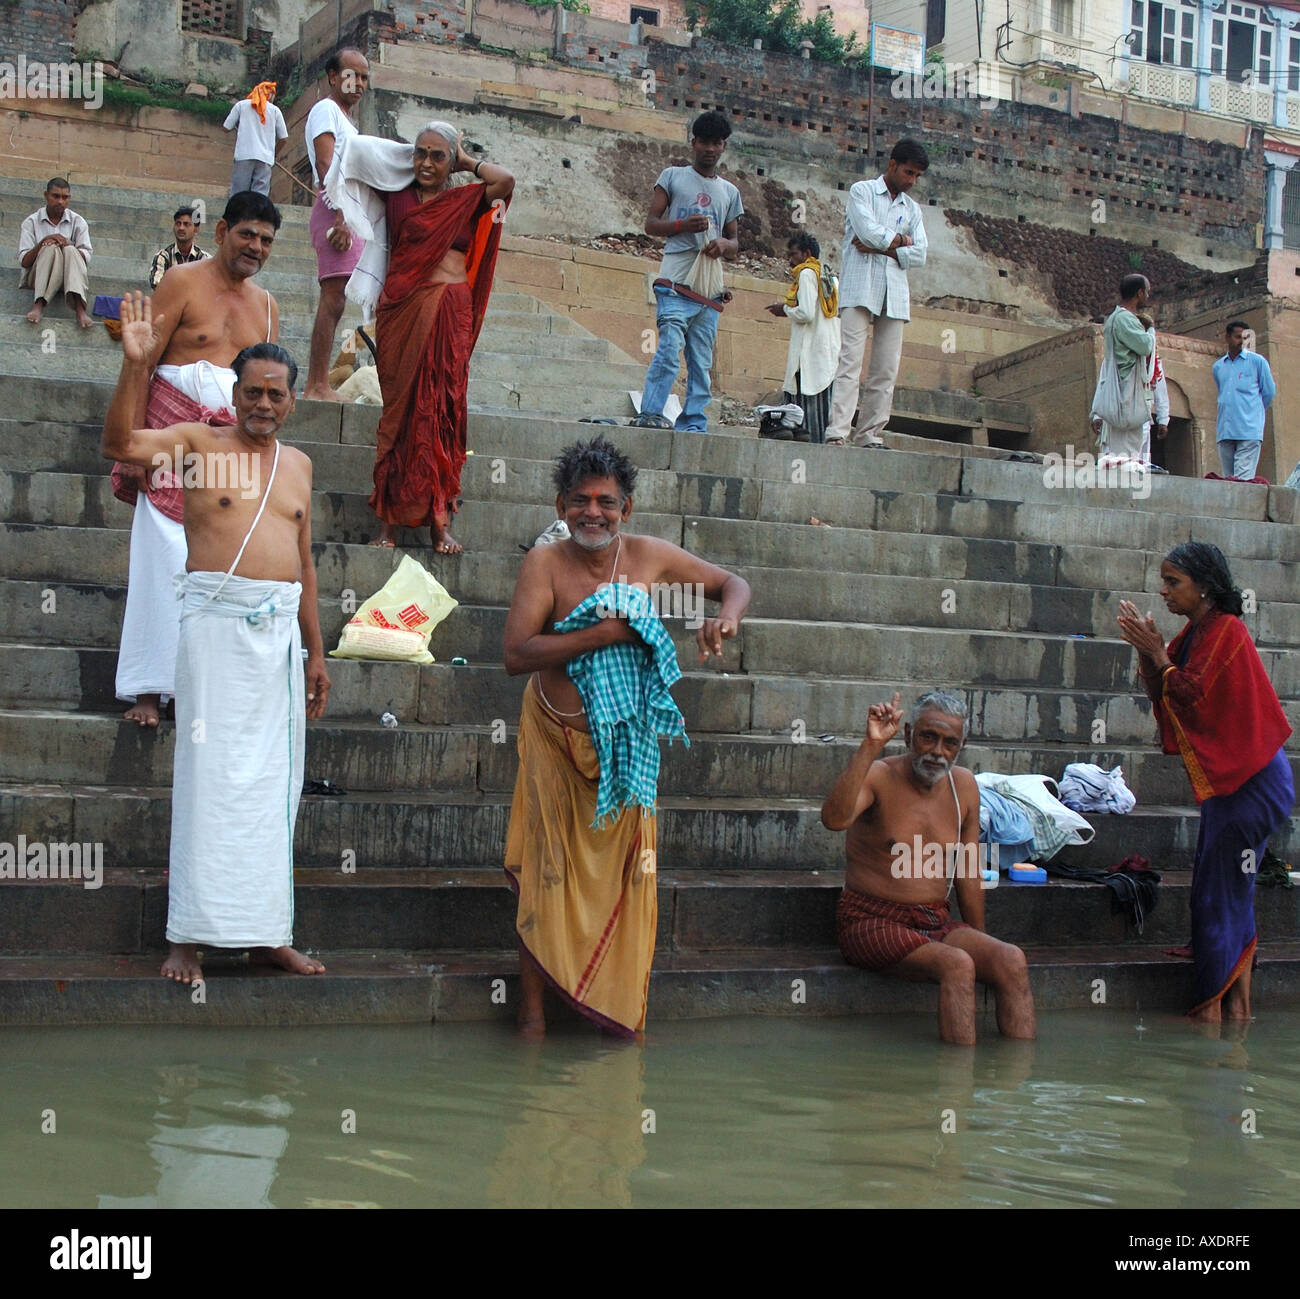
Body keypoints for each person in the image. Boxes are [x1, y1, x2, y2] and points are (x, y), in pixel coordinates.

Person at [103, 294, 330, 985]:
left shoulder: (299, 466)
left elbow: (305, 560)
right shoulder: (200, 445)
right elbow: (121, 446)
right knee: (207, 782)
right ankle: (188, 940)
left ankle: (266, 934)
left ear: (291, 402)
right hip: (214, 629)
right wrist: (137, 366)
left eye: (276, 394)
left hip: (278, 640)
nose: (263, 403)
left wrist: (316, 650)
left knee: (271, 788)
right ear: (233, 395)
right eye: (252, 392)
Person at [501, 437, 751, 1038]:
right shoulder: (546, 564)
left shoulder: (650, 559)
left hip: (629, 750)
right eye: (581, 501)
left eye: (607, 503)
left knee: (626, 881)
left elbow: (730, 582)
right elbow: (516, 653)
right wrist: (605, 634)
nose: (594, 513)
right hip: (555, 744)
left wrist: (727, 617)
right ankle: (533, 1018)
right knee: (545, 874)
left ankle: (613, 1010)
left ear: (627, 509)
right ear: (561, 506)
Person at [112, 190, 281, 728]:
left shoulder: (268, 306)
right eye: (247, 234)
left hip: (227, 450)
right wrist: (138, 446)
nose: (255, 246)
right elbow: (143, 359)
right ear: (221, 232)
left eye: (266, 240)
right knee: (161, 562)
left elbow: (266, 387)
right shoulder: (182, 282)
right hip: (167, 434)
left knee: (212, 571)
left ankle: (191, 687)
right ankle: (146, 689)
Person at [1118, 543, 1292, 1024]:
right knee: (1226, 889)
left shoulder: (1228, 631)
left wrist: (1156, 652)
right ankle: (1236, 1010)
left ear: (1205, 587)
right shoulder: (1197, 633)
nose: (1164, 590)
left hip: (1254, 778)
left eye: (1173, 581)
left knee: (1220, 893)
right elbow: (1165, 690)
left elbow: (1191, 692)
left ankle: (1211, 1015)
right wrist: (1147, 653)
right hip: (1231, 782)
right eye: (1164, 580)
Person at [326, 122, 513, 555]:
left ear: (451, 163)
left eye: (438, 156)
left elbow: (505, 182)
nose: (427, 163)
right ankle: (387, 524)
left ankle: (439, 523)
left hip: (450, 311)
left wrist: (467, 160)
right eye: (420, 154)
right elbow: (352, 150)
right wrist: (402, 157)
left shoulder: (465, 199)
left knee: (443, 413)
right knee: (400, 416)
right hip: (403, 311)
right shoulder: (398, 195)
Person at [821, 690, 1036, 1045]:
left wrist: (980, 937)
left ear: (961, 745)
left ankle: (1015, 1087)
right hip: (869, 921)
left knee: (1010, 960)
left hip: (934, 921)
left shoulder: (963, 785)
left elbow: (968, 868)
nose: (937, 751)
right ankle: (958, 1086)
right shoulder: (879, 774)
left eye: (949, 743)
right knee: (957, 964)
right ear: (908, 735)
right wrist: (870, 746)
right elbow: (834, 819)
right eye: (928, 737)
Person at [633, 111, 742, 432]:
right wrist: (682, 225)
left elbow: (736, 241)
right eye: (704, 142)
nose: (710, 148)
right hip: (675, 280)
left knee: (701, 361)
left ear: (724, 147)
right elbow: (651, 224)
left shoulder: (730, 192)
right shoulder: (672, 176)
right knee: (668, 350)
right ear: (693, 143)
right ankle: (651, 413)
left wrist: (723, 244)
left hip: (709, 288)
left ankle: (693, 422)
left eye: (717, 143)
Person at [825, 139, 928, 448]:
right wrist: (900, 244)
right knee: (850, 363)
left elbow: (921, 254)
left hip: (894, 294)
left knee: (885, 370)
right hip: (859, 286)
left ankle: (869, 435)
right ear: (892, 164)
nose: (911, 181)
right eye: (908, 173)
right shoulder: (862, 192)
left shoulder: (913, 209)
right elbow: (866, 232)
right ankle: (837, 433)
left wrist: (879, 247)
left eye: (917, 177)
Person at [303, 47, 370, 401]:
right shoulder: (325, 110)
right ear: (332, 77)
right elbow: (327, 166)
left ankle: (320, 383)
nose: (358, 83)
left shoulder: (348, 122)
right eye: (350, 74)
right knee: (333, 299)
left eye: (363, 77)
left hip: (349, 214)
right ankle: (316, 385)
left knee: (340, 300)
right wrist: (342, 217)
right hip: (335, 212)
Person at [764, 231, 841, 443]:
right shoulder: (829, 275)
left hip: (809, 356)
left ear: (806, 254)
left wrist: (785, 309)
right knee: (821, 413)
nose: (790, 260)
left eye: (793, 254)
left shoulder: (807, 274)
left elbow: (806, 313)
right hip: (827, 353)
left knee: (802, 414)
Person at [1090, 274, 1155, 465]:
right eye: (1147, 291)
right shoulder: (1124, 319)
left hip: (1121, 390)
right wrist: (1150, 329)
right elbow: (1145, 346)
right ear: (1139, 293)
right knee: (1126, 457)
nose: (1148, 296)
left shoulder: (1115, 318)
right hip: (1126, 392)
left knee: (1125, 455)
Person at [18, 177, 93, 328]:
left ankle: (80, 309)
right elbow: (24, 261)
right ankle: (39, 304)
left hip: (69, 278)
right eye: (55, 196)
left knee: (71, 250)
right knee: (49, 248)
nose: (60, 201)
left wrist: (66, 246)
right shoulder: (31, 222)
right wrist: (44, 242)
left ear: (69, 199)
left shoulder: (78, 221)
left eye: (64, 197)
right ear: (46, 195)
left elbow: (87, 256)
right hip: (38, 277)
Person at [1212, 321, 1276, 481]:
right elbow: (1224, 394)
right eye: (1237, 337)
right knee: (1228, 480)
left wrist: (1254, 413)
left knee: (1242, 481)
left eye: (1245, 337)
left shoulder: (1257, 361)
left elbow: (1268, 392)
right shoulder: (1218, 366)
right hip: (1226, 429)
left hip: (1248, 429)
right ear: (1227, 337)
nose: (1241, 341)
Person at [222, 81, 288, 197]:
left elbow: (226, 128)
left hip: (244, 155)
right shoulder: (275, 111)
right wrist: (273, 154)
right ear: (271, 94)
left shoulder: (241, 105)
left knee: (239, 194)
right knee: (260, 196)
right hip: (265, 159)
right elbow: (283, 139)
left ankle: (238, 214)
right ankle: (256, 215)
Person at [148, 207, 209, 290]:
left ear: (196, 229)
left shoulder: (204, 259)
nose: (181, 228)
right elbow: (157, 284)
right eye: (178, 223)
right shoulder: (163, 256)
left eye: (186, 224)